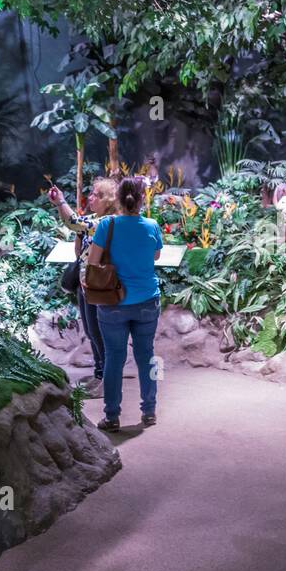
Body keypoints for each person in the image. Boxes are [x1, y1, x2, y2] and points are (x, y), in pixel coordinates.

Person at [85, 176, 163, 432]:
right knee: (148, 357)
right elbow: (155, 255)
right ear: (142, 199)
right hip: (147, 302)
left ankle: (111, 416)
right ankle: (149, 411)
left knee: (113, 359)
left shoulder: (107, 226)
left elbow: (93, 261)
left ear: (118, 199)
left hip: (113, 302)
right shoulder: (152, 226)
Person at [48, 177, 119, 395]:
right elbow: (78, 245)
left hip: (101, 285)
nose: (91, 197)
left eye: (96, 194)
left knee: (101, 333)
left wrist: (60, 202)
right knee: (91, 331)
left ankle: (108, 379)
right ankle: (99, 374)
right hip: (85, 283)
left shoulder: (109, 221)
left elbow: (75, 223)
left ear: (108, 200)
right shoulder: (91, 219)